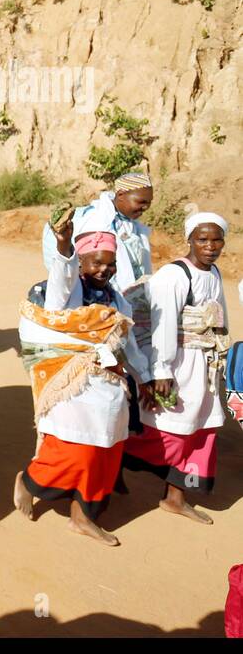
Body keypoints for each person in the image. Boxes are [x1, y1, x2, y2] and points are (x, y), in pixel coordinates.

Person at [14, 217, 154, 546]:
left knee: (106, 451)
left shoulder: (116, 299)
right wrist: (64, 245)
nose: (104, 270)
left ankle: (83, 517)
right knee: (74, 450)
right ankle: (30, 482)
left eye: (111, 265)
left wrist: (144, 377)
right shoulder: (69, 290)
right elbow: (62, 274)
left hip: (110, 386)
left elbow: (127, 342)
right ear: (82, 261)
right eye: (97, 262)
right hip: (73, 385)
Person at [123, 213, 231, 523]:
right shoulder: (174, 276)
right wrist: (161, 372)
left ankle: (176, 497)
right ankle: (111, 464)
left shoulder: (215, 274)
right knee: (172, 433)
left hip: (205, 364)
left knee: (201, 431)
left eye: (216, 239)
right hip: (178, 364)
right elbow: (164, 326)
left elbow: (219, 320)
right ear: (189, 240)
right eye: (202, 239)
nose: (210, 246)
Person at [40, 170, 153, 294]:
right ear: (120, 195)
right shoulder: (96, 221)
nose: (146, 207)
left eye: (149, 203)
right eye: (141, 202)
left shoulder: (130, 224)